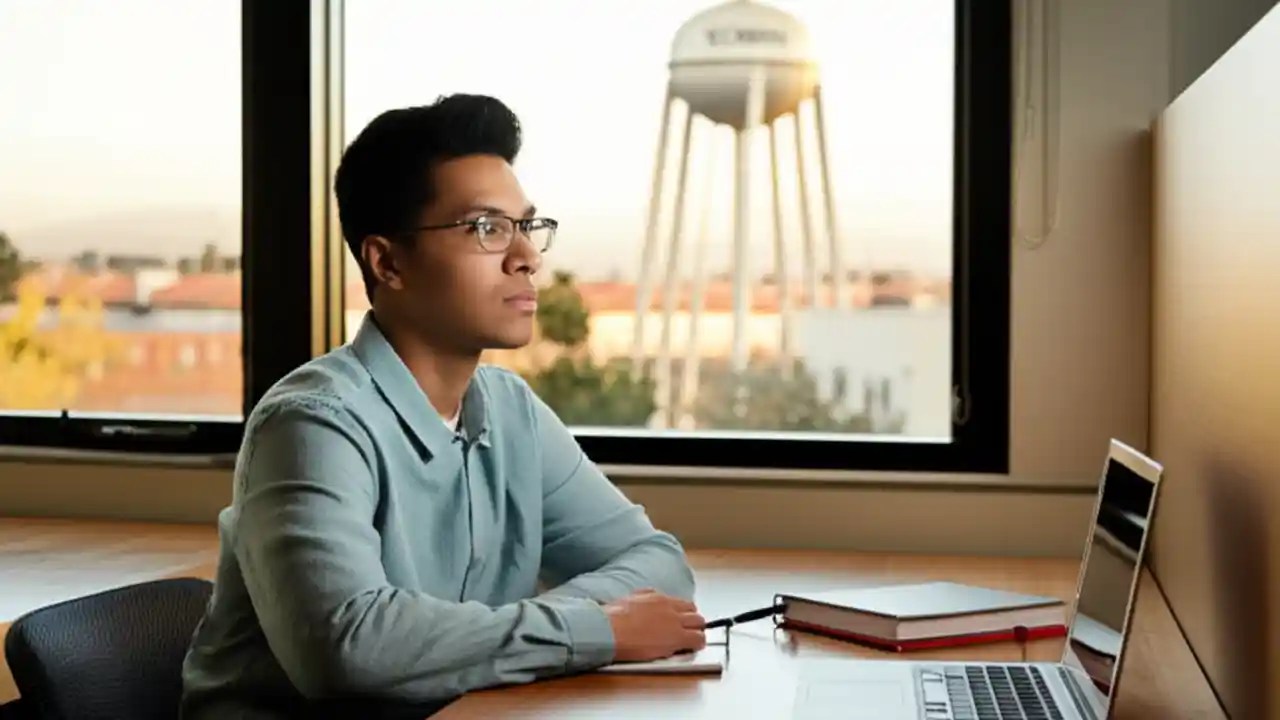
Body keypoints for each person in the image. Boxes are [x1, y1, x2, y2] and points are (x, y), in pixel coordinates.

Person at [180, 94, 705, 718]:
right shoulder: (313, 422)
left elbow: (659, 564)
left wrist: (536, 631)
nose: (527, 257)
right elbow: (349, 648)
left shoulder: (512, 411)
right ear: (388, 261)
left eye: (525, 226)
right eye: (486, 228)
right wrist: (597, 629)